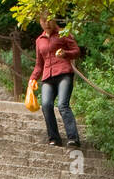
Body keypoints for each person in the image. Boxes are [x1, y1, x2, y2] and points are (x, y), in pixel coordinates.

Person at [30, 13, 81, 148]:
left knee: (63, 105)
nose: (47, 23)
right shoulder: (39, 40)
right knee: (46, 105)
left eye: (49, 20)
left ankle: (73, 138)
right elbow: (39, 64)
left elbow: (76, 50)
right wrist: (33, 78)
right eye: (43, 20)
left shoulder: (62, 33)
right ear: (40, 22)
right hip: (47, 76)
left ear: (53, 20)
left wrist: (66, 53)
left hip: (64, 72)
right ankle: (54, 138)